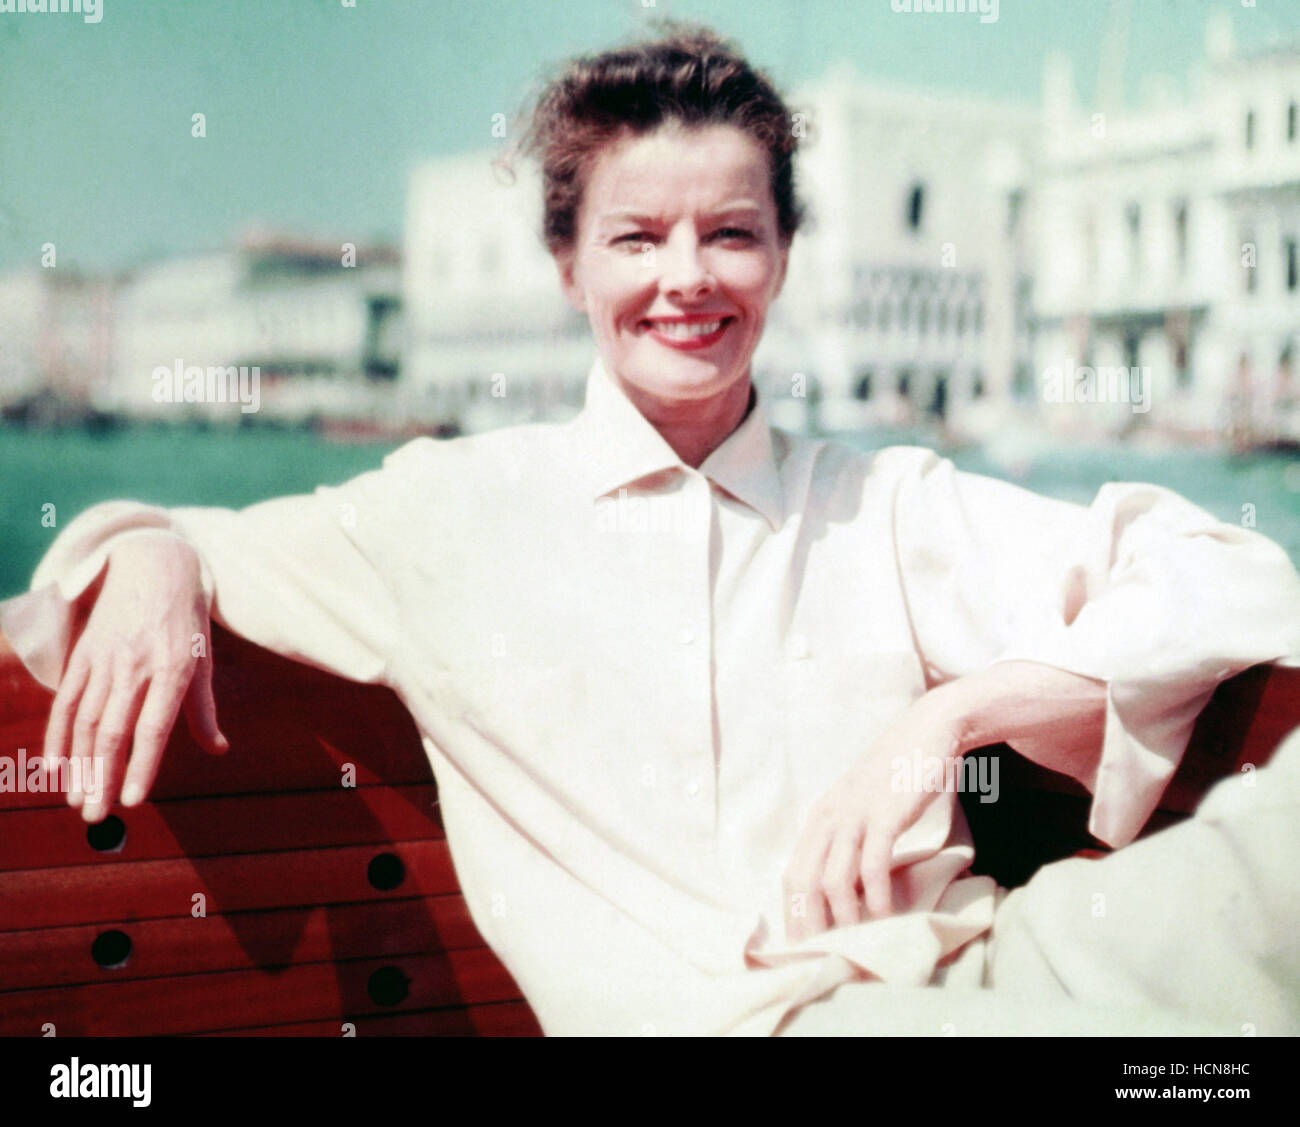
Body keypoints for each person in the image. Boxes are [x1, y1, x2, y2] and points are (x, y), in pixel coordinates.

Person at [4, 23, 1300, 1037]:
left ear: (782, 256)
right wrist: (155, 556)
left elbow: (1230, 576)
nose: (687, 278)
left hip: (1005, 960)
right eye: (638, 237)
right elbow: (176, 536)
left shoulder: (886, 503)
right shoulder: (447, 515)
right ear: (569, 265)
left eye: (731, 234)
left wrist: (951, 719)